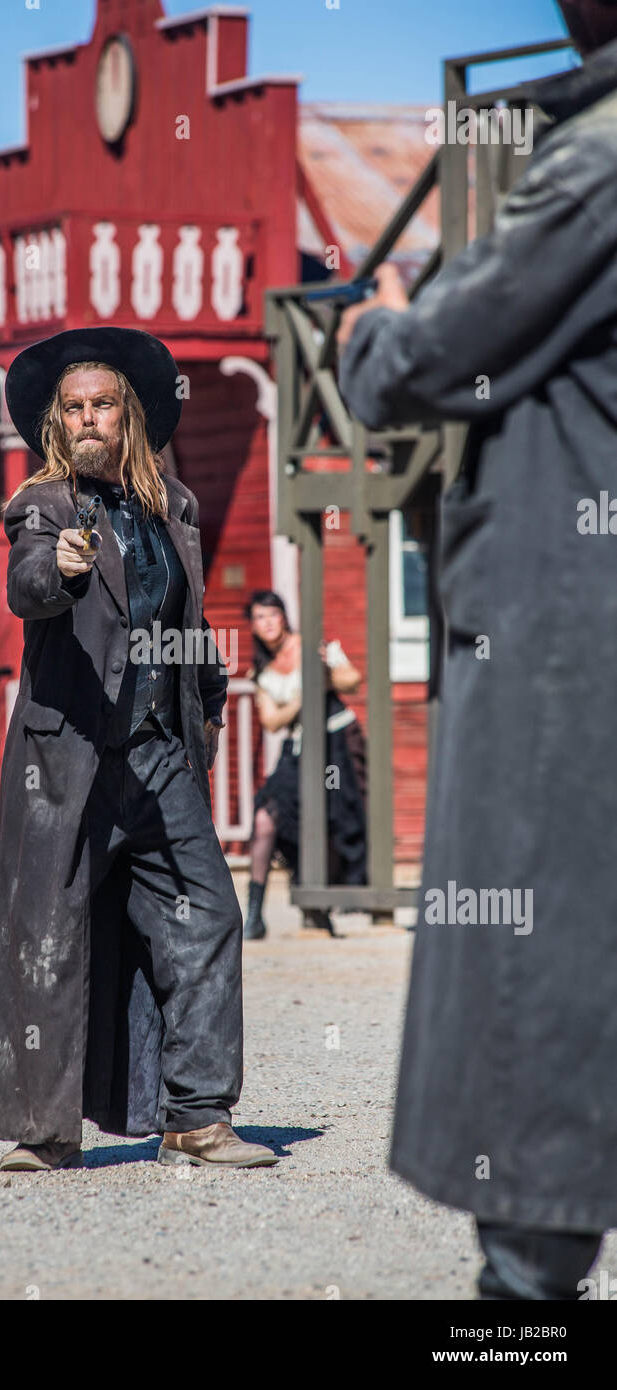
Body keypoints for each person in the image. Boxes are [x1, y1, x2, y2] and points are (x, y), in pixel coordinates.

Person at [337, 0, 617, 1299]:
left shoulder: (595, 158)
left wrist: (368, 330)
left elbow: (426, 357)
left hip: (572, 634)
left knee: (542, 956)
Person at [0, 326, 279, 1172]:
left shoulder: (172, 507)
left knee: (209, 915)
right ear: (56, 424)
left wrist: (209, 710)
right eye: (72, 408)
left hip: (154, 756)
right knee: (50, 934)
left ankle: (196, 1117)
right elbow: (27, 582)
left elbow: (187, 623)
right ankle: (44, 1134)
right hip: (65, 759)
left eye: (102, 404)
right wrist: (63, 569)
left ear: (129, 414)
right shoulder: (47, 507)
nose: (87, 419)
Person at [243, 591, 368, 940]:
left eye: (272, 614)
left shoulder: (314, 645)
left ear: (284, 617)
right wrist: (305, 694)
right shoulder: (261, 670)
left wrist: (323, 675)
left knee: (332, 818)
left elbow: (352, 680)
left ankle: (318, 909)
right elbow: (271, 721)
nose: (267, 623)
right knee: (267, 816)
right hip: (298, 745)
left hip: (336, 739)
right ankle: (254, 913)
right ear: (253, 625)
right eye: (259, 617)